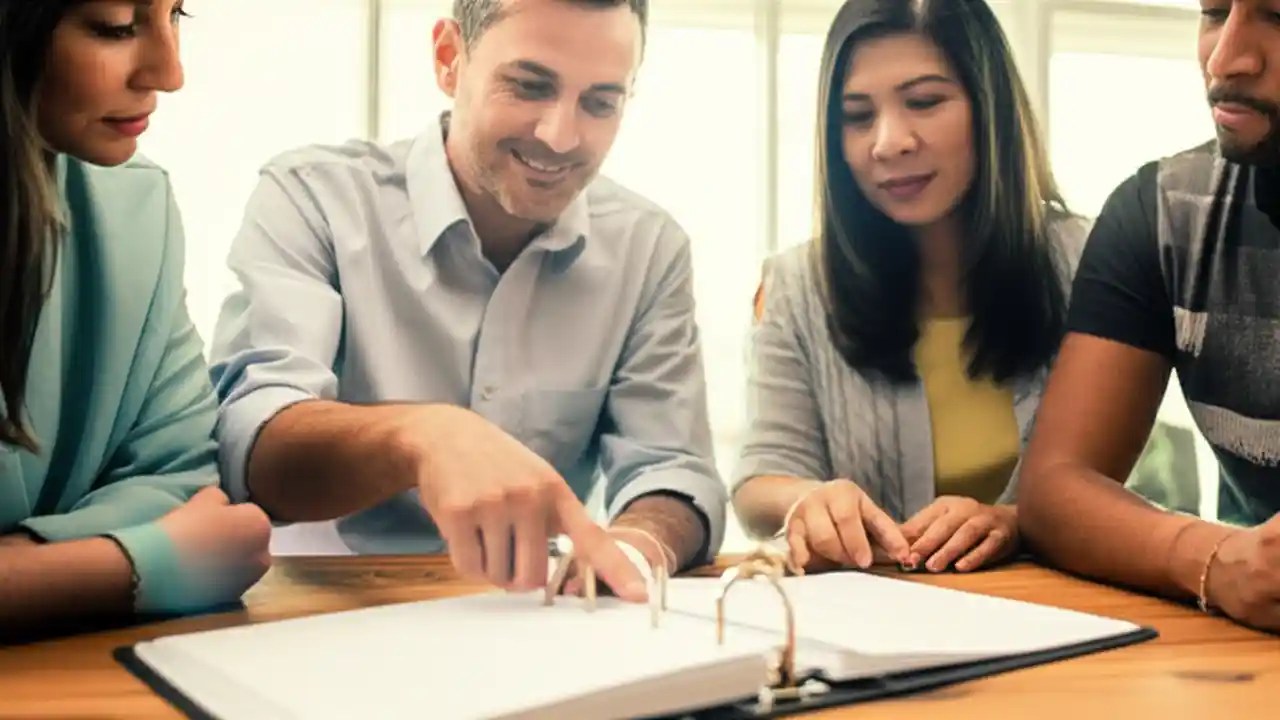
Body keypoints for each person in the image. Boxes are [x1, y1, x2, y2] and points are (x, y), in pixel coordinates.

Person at [208, 0, 725, 602]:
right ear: (450, 59)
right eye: (529, 86)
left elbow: (673, 468)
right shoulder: (313, 199)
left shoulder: (649, 247)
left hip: (532, 611)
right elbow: (250, 438)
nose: (561, 136)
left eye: (601, 102)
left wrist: (633, 548)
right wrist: (422, 437)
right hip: (318, 605)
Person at [732, 0, 1089, 576]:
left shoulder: (1085, 263)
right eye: (856, 116)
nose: (888, 142)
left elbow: (1105, 480)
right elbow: (759, 481)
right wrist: (806, 500)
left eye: (924, 102)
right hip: (870, 624)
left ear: (989, 107)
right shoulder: (796, 285)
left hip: (1064, 614)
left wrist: (1018, 520)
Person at [0, 0, 271, 640]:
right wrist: (133, 564)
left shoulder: (136, 205)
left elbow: (176, 476)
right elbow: (184, 538)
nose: (169, 72)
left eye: (177, 15)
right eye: (116, 27)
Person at [1018, 0, 1280, 633]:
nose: (1225, 59)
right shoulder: (1163, 215)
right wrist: (1215, 559)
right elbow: (1054, 489)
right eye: (1215, 12)